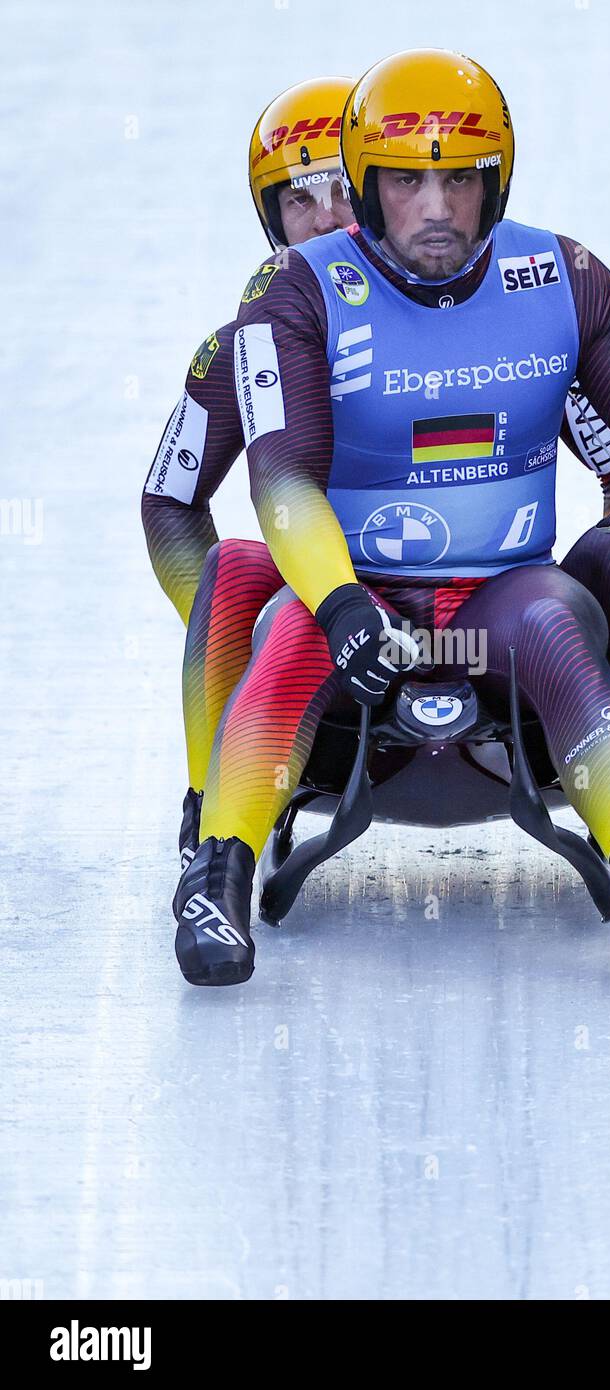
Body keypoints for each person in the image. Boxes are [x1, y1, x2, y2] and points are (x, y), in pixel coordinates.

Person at [173, 48, 610, 986]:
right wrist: (344, 606)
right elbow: (281, 482)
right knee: (284, 624)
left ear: (496, 183)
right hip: (358, 601)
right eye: (406, 181)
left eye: (458, 180)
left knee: (563, 610)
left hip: (500, 601)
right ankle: (212, 873)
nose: (434, 208)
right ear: (370, 183)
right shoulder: (291, 296)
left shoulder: (564, 277)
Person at [141, 77, 356, 865]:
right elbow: (170, 498)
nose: (327, 217)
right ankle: (212, 811)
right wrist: (228, 632)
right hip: (322, 619)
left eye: (342, 188)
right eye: (300, 198)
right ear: (272, 219)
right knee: (233, 566)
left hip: (468, 592)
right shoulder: (241, 345)